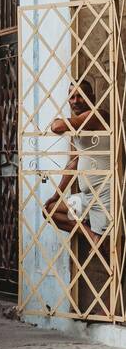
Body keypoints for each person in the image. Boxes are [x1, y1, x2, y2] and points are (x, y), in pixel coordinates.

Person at [44, 80, 110, 247]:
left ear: (92, 98)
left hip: (104, 198)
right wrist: (56, 196)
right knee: (50, 210)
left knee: (110, 249)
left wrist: (58, 122)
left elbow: (57, 126)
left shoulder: (97, 115)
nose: (75, 101)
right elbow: (73, 164)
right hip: (86, 199)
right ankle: (92, 235)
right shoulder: (76, 127)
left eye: (80, 96)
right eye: (72, 97)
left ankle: (98, 239)